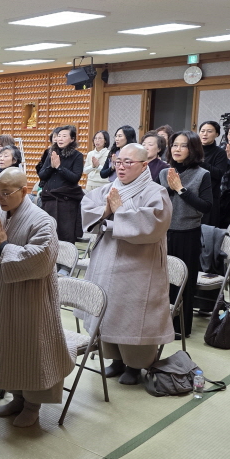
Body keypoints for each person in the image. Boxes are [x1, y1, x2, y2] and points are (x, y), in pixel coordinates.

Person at [0, 168, 71, 428]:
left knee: (31, 347)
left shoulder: (42, 220)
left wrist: (2, 248)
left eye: (6, 193)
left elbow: (42, 257)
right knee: (6, 345)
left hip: (30, 297)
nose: (0, 197)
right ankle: (16, 396)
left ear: (25, 190)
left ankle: (33, 405)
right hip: (0, 293)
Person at [81, 143, 174, 385]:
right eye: (118, 162)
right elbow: (88, 206)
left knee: (134, 314)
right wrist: (106, 210)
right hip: (107, 258)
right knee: (109, 308)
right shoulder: (111, 187)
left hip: (138, 264)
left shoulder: (156, 192)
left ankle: (136, 366)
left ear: (144, 165)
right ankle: (116, 360)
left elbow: (153, 225)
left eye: (128, 163)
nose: (121, 167)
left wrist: (120, 211)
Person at [159, 132, 212, 338]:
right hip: (163, 232)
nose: (177, 149)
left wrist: (180, 189)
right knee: (161, 281)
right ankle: (160, 323)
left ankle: (180, 327)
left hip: (187, 234)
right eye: (174, 145)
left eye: (183, 146)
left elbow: (206, 207)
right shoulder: (164, 173)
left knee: (182, 282)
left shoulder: (202, 174)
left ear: (193, 149)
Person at [38, 125, 84, 243]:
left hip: (67, 202)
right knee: (47, 234)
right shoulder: (51, 153)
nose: (60, 139)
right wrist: (51, 167)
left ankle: (65, 260)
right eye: (58, 136)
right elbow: (42, 175)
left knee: (65, 236)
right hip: (49, 200)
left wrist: (59, 167)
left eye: (64, 136)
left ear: (72, 139)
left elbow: (75, 178)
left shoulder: (77, 156)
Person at [197, 121, 226, 226]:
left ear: (217, 134)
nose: (205, 134)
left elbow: (218, 173)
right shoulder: (192, 150)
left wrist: (200, 162)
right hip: (192, 194)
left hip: (210, 196)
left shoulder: (220, 152)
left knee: (207, 232)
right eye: (202, 131)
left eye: (209, 131)